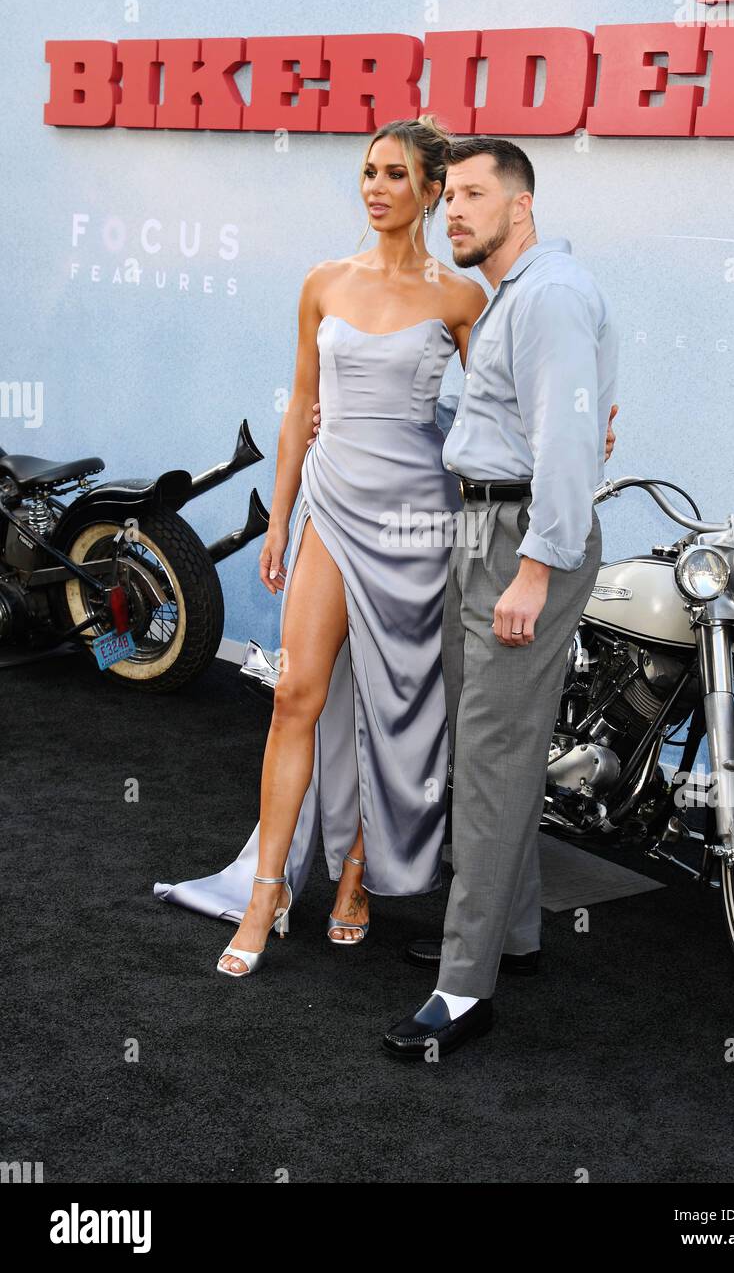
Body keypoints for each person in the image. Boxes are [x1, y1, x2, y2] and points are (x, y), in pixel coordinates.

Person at [153, 114, 487, 969]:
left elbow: (496, 408)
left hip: (416, 521)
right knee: (297, 691)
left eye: (396, 176)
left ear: (432, 190)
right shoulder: (324, 283)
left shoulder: (461, 298)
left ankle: (358, 874)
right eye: (369, 172)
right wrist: (285, 514)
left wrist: (577, 429)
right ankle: (265, 895)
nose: (376, 188)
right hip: (333, 510)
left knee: (392, 707)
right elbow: (300, 409)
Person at [381, 137, 620, 1057]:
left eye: (475, 195)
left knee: (489, 760)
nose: (455, 212)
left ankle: (462, 988)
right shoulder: (517, 299)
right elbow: (504, 428)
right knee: (495, 751)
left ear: (523, 205)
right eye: (450, 199)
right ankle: (508, 935)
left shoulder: (550, 296)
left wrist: (538, 567)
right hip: (483, 527)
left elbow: (564, 452)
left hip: (523, 544)